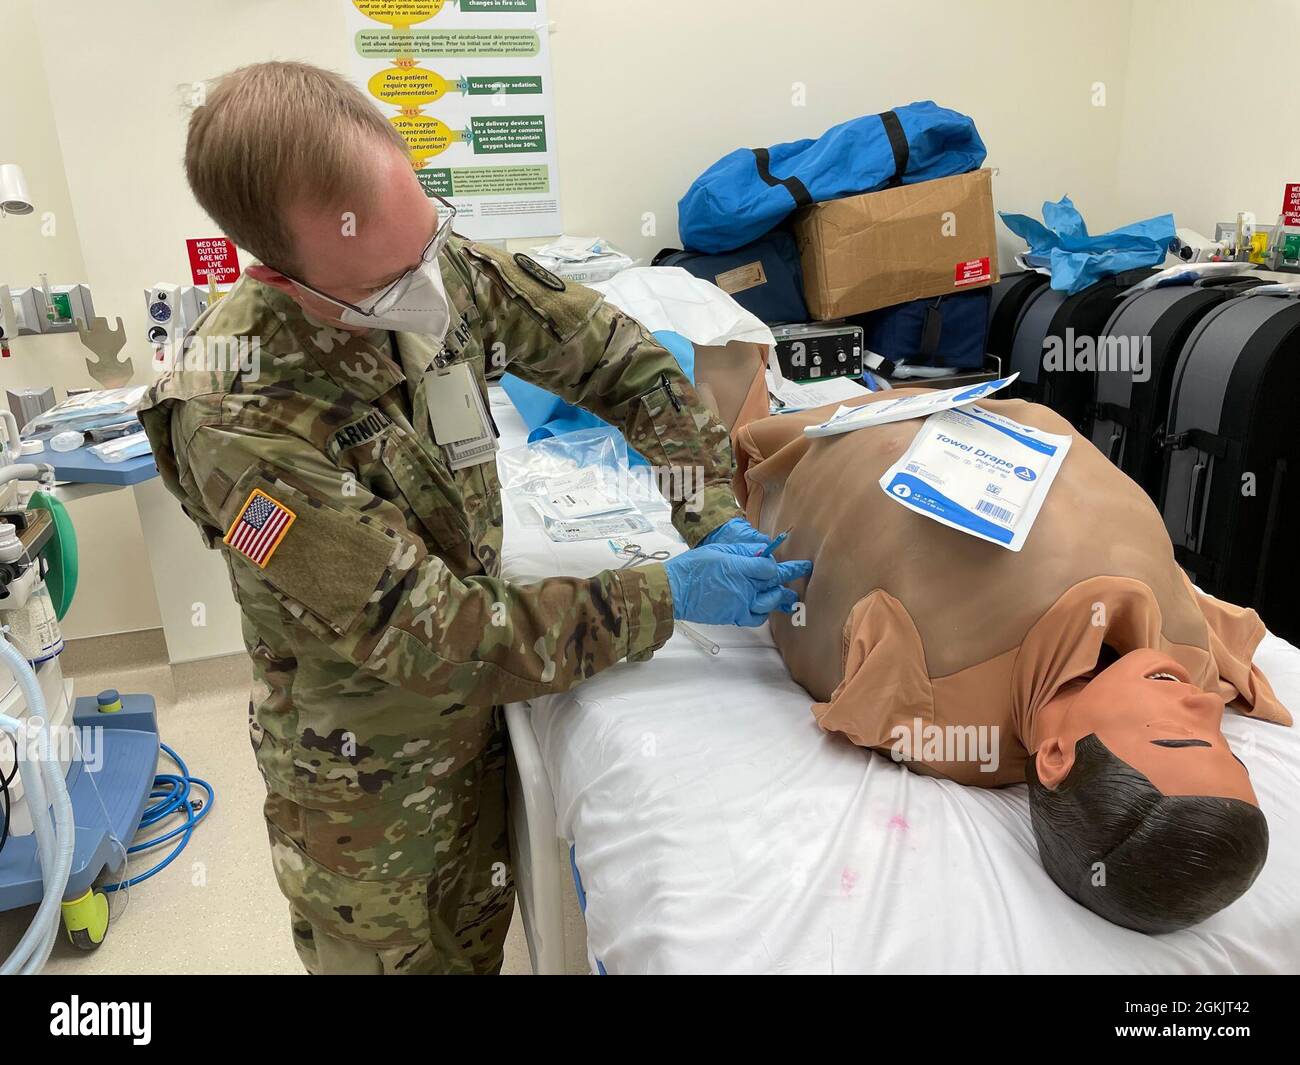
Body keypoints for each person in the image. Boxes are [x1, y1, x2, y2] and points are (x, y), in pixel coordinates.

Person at [138, 60, 810, 974]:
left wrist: (706, 513)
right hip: (369, 796)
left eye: (428, 241)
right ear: (283, 274)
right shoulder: (240, 420)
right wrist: (669, 592)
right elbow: (437, 632)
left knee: (484, 945)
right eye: (392, 277)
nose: (429, 283)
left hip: (478, 737)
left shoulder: (427, 264)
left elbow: (621, 363)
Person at [733, 389, 1291, 933]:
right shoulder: (1183, 657)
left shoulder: (937, 698)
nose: (1200, 702)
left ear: (1054, 757)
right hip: (983, 403)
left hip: (860, 428)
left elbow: (813, 613)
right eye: (1225, 745)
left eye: (1177, 736)